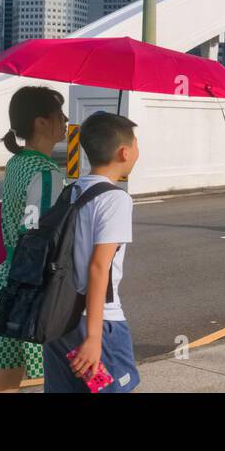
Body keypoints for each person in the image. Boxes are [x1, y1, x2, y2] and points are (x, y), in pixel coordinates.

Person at [44, 111, 140, 394]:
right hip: (99, 322)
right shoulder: (115, 200)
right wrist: (94, 338)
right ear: (125, 152)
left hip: (59, 319)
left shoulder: (71, 190)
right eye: (136, 144)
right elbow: (99, 267)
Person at [0, 86, 68, 393]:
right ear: (40, 122)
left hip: (8, 284)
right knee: (69, 373)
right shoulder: (46, 173)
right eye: (59, 114)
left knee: (0, 383)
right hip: (33, 291)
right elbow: (40, 237)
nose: (66, 120)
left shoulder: (16, 163)